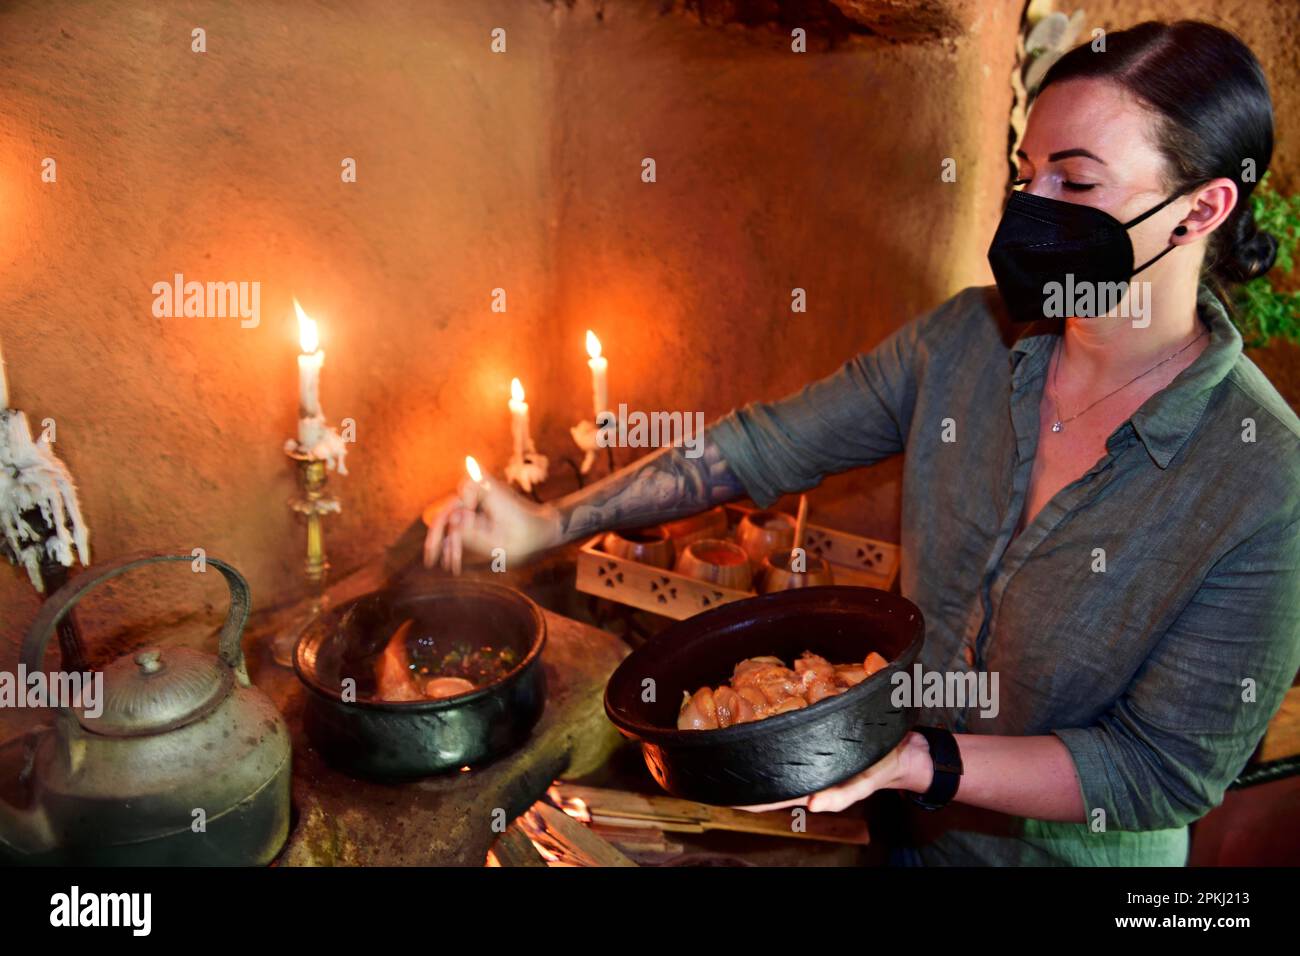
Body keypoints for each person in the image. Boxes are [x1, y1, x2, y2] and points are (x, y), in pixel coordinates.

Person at [424, 21, 1300, 865]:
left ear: (1201, 210)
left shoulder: (1266, 478)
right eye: (1024, 175)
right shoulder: (966, 340)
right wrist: (548, 523)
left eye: (1075, 186)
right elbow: (761, 447)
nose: (1030, 210)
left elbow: (1161, 769)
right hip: (897, 837)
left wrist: (922, 763)